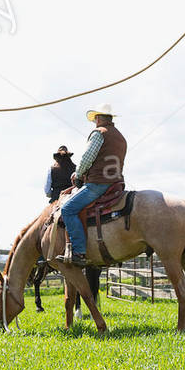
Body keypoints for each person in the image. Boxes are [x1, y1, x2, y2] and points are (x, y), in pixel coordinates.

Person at [58, 103, 127, 268]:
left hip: (98, 184)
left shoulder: (99, 133)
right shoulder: (120, 137)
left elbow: (87, 157)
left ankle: (78, 251)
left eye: (95, 119)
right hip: (116, 184)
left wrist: (79, 174)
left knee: (67, 209)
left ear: (98, 118)